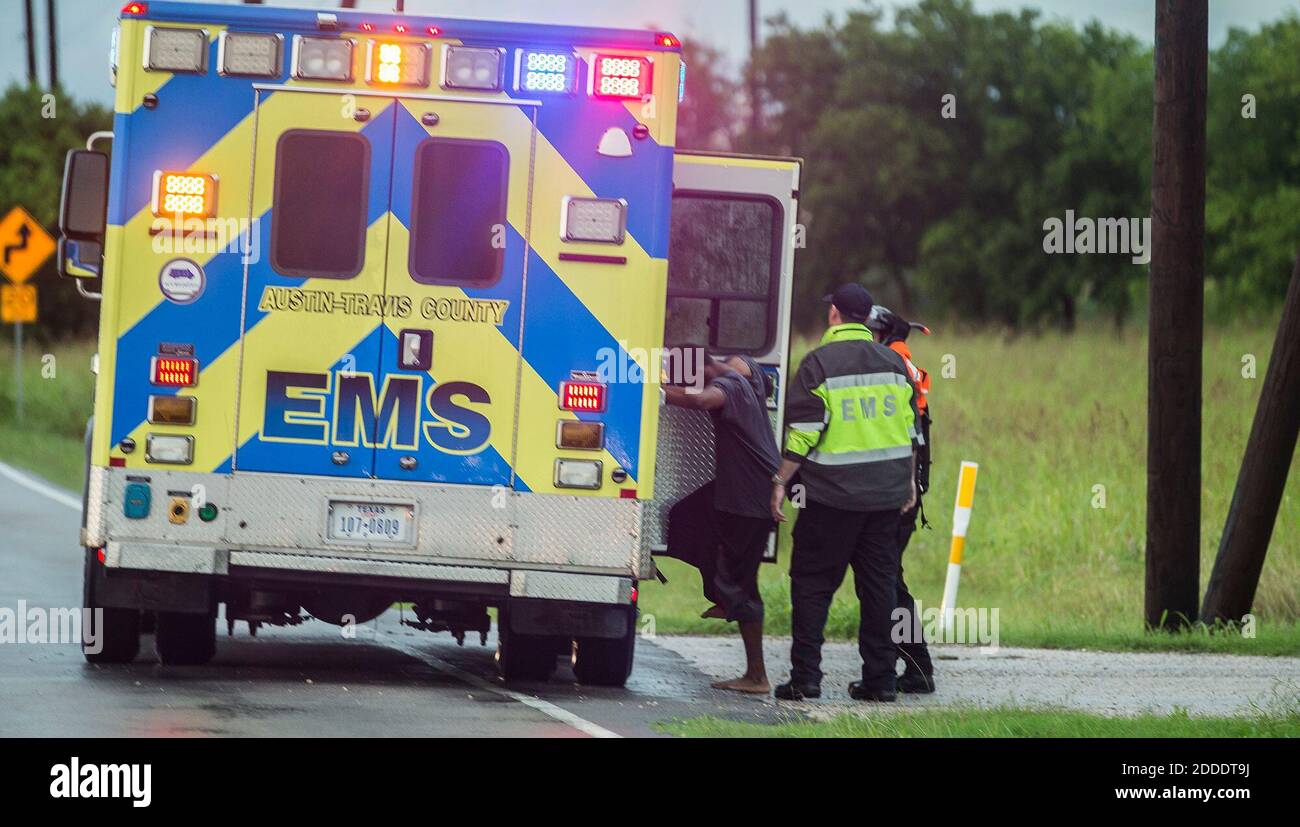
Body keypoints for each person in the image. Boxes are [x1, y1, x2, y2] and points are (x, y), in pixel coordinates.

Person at [770, 284, 922, 702]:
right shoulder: (894, 362)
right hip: (885, 498)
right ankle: (881, 680)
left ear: (835, 314)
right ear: (868, 318)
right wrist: (908, 482)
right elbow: (910, 431)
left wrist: (780, 482)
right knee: (879, 589)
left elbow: (803, 434)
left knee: (812, 584)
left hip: (831, 498)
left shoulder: (818, 363)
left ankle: (806, 679)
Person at [664, 348, 780, 694]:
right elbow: (752, 370)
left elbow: (702, 402)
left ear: (701, 372)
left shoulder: (727, 385)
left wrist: (656, 390)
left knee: (743, 584)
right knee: (685, 516)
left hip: (747, 500)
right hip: (739, 490)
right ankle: (720, 593)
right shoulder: (746, 369)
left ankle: (756, 676)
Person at [866, 305, 936, 694]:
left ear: (879, 333)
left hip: (896, 495)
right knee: (889, 580)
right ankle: (908, 664)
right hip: (901, 491)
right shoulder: (902, 363)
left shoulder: (893, 365)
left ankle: (917, 665)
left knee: (889, 582)